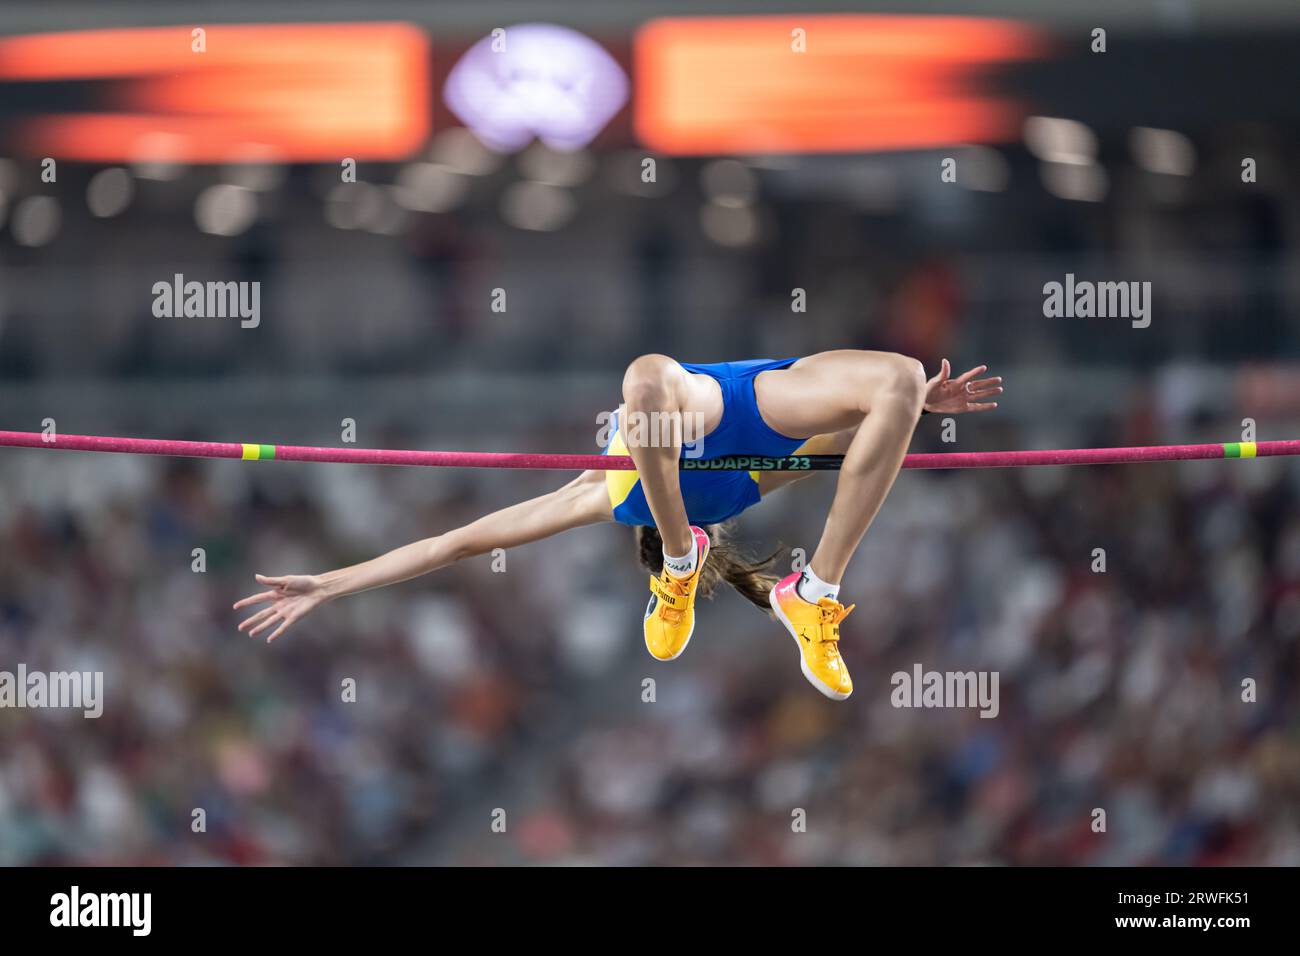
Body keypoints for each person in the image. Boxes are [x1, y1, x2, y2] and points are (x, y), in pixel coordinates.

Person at [235, 351, 1001, 699]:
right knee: (645, 386)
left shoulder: (618, 470)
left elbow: (453, 542)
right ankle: (680, 566)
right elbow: (456, 544)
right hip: (725, 449)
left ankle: (812, 592)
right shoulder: (608, 492)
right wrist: (328, 587)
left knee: (902, 377)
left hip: (734, 399)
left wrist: (908, 408)